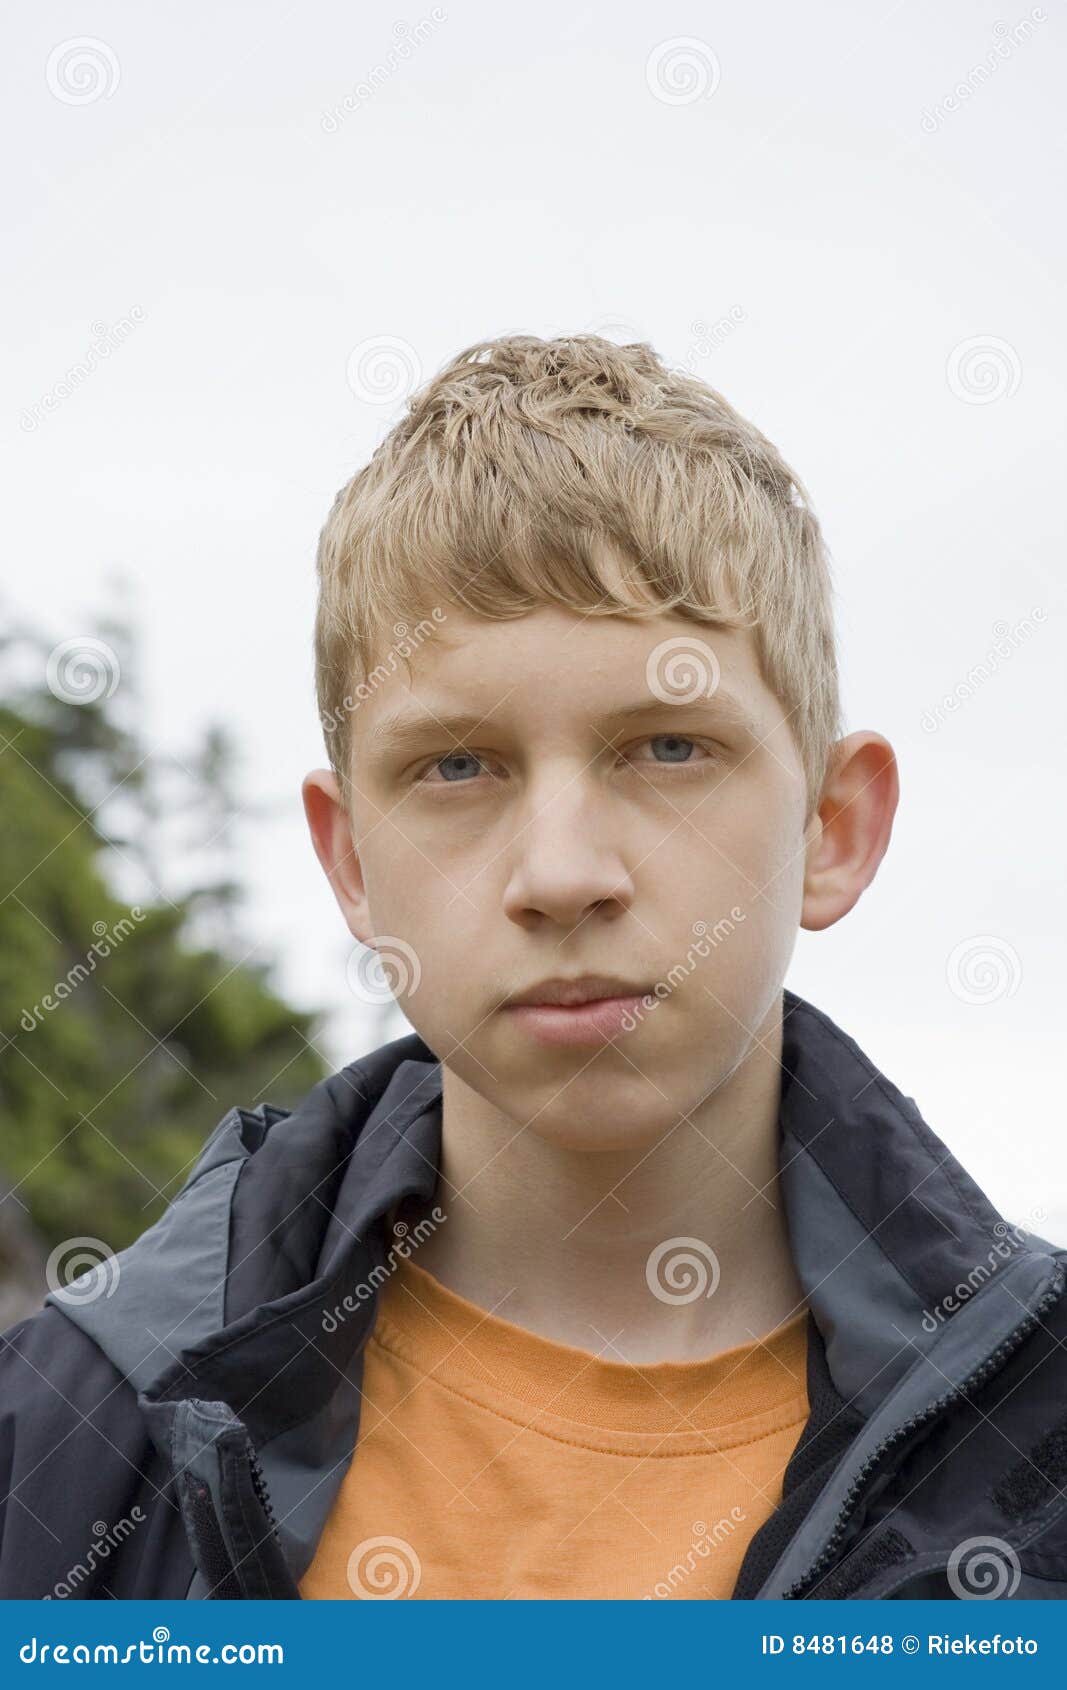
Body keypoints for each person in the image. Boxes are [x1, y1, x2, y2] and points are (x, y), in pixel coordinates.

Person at [1, 335, 1064, 1602]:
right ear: (349, 863)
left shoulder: (1036, 1443)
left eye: (667, 747)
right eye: (456, 767)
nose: (560, 875)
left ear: (832, 829)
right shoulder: (62, 1447)